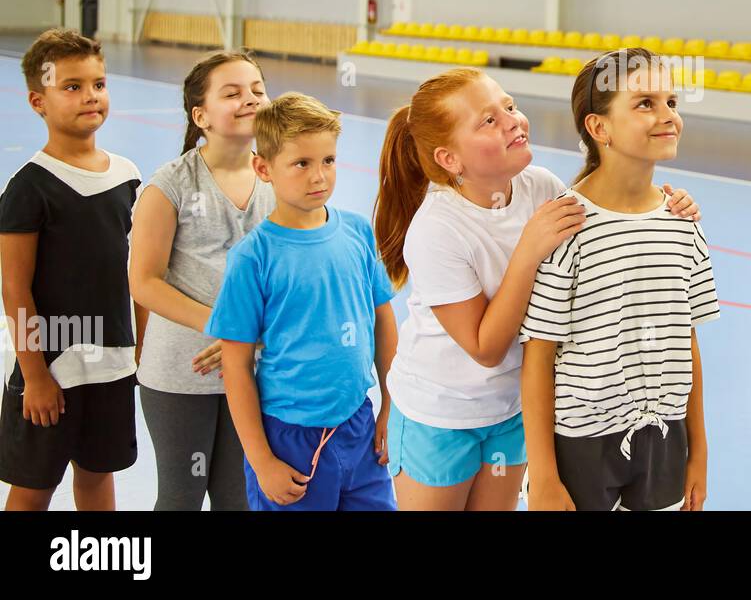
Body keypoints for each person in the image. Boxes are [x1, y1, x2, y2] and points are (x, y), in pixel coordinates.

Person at [374, 67, 700, 510]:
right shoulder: (437, 230)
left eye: (508, 106)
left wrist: (666, 204)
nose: (512, 120)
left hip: (510, 410)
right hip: (441, 416)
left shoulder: (541, 186)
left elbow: (602, 217)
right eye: (488, 120)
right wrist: (527, 250)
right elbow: (485, 347)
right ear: (450, 159)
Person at [521, 48, 720, 511]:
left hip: (665, 442)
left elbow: (686, 344)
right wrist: (544, 477)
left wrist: (699, 452)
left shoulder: (682, 221)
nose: (667, 115)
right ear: (599, 128)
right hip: (581, 445)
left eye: (672, 102)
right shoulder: (566, 226)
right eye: (644, 103)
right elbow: (538, 359)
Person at [206, 92, 398, 511]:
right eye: (302, 164)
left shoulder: (357, 233)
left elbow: (383, 320)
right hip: (288, 439)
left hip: (359, 426)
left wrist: (389, 405)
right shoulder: (253, 258)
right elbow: (236, 366)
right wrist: (261, 461)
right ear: (264, 168)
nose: (319, 177)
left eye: (328, 161)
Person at [0, 29, 142, 511]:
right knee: (34, 485)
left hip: (112, 364)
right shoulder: (29, 188)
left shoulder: (126, 175)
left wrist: (140, 348)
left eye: (98, 84)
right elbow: (15, 288)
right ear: (38, 101)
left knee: (98, 476)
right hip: (52, 367)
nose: (90, 96)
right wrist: (34, 374)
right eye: (72, 87)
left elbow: (133, 274)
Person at [129, 49, 274, 510]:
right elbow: (145, 282)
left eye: (257, 90)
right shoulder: (169, 184)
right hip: (182, 374)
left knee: (239, 497)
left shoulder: (278, 177)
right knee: (181, 496)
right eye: (232, 93)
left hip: (253, 368)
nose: (249, 100)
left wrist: (258, 337)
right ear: (201, 115)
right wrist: (225, 326)